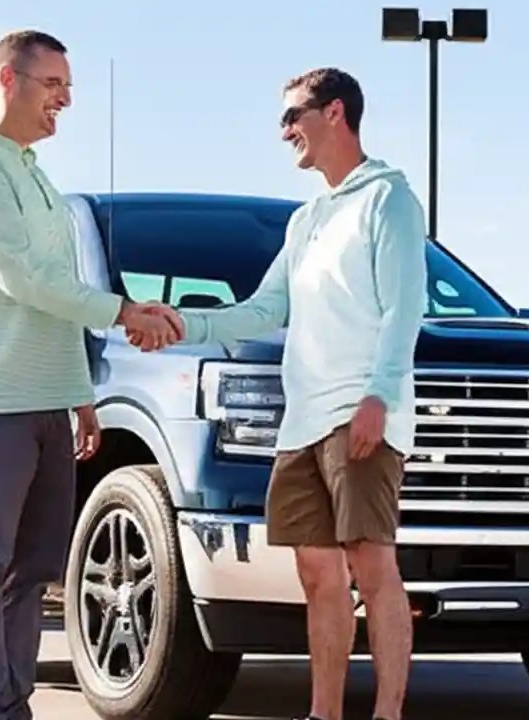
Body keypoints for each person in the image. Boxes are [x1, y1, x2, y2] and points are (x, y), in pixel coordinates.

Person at [131, 67, 427, 720]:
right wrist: (183, 324)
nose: (284, 129)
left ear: (336, 113)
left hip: (360, 413)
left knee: (372, 565)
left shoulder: (389, 200)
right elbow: (263, 310)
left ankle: (388, 714)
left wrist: (379, 397)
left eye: (294, 115)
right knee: (317, 574)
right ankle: (324, 714)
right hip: (303, 424)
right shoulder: (307, 221)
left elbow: (405, 308)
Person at [0, 29, 181, 720]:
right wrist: (124, 310)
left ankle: (10, 702)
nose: (65, 99)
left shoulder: (38, 178)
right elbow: (23, 278)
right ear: (8, 80)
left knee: (33, 569)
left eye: (68, 87)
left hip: (47, 402)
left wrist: (81, 398)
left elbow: (60, 294)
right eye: (53, 84)